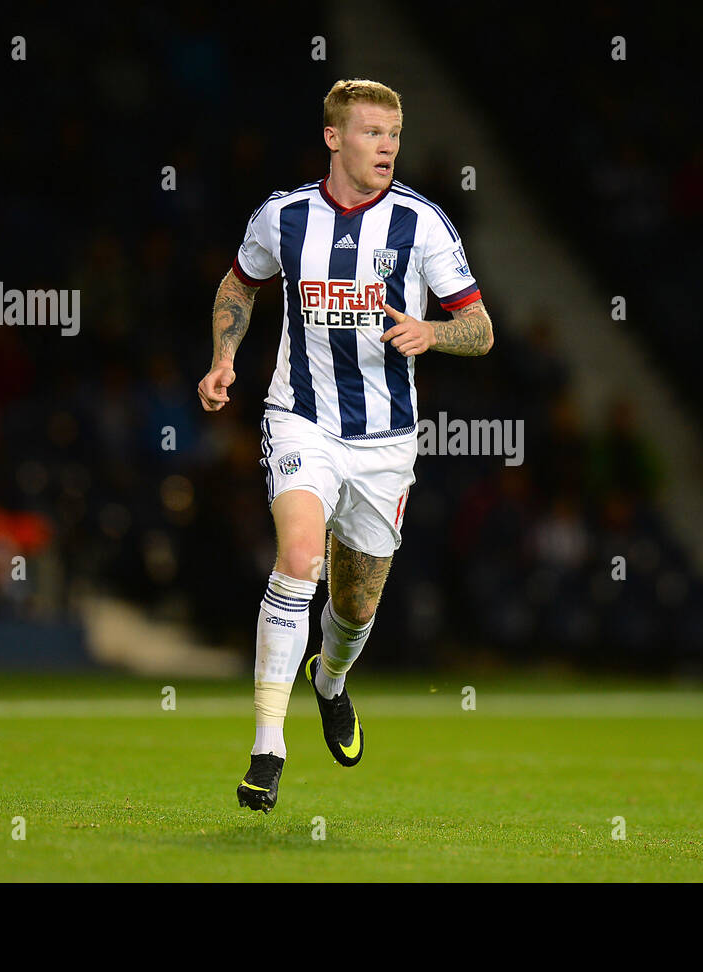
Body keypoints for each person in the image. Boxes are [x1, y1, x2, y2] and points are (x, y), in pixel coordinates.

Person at [197, 79, 494, 813]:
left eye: (394, 132)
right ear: (334, 138)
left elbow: (481, 327)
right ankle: (268, 747)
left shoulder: (421, 225)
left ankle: (329, 681)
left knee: (356, 606)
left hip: (386, 442)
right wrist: (223, 356)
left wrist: (434, 332)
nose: (387, 145)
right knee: (298, 556)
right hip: (300, 418)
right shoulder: (284, 216)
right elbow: (239, 287)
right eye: (371, 132)